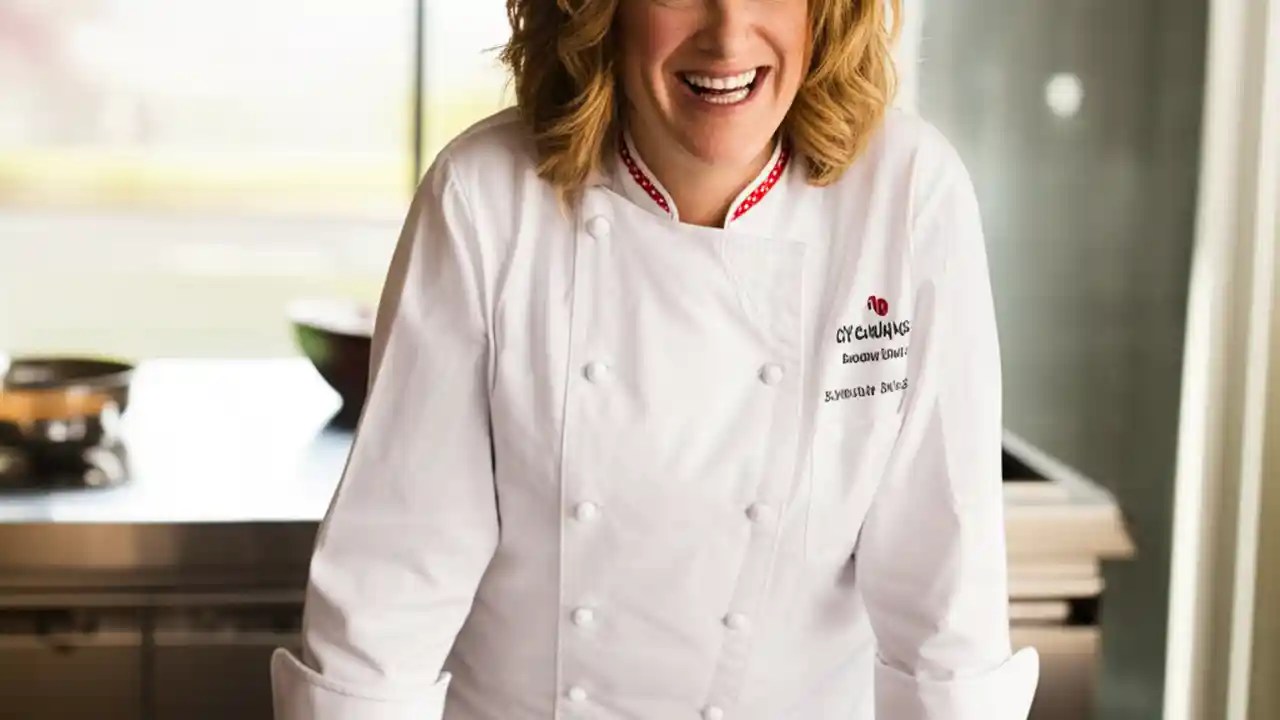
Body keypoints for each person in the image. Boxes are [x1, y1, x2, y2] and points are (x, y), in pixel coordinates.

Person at [271, 0, 1041, 717]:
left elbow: (946, 605)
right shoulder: (485, 199)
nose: (728, 35)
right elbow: (389, 597)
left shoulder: (906, 195)